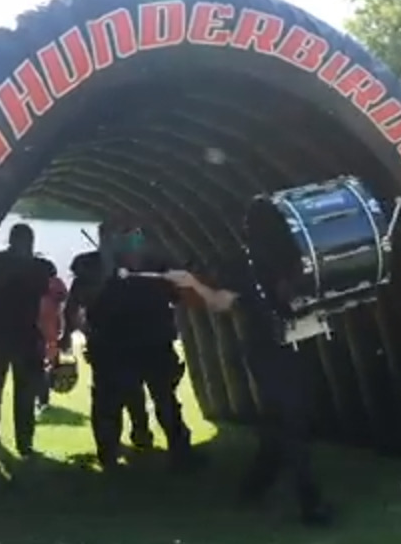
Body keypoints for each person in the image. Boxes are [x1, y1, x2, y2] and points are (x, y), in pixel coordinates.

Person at [164, 263, 334, 527]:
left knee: (282, 425)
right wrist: (193, 284)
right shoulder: (248, 269)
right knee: (292, 425)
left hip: (297, 349)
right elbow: (220, 303)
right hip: (268, 353)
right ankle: (311, 503)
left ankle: (254, 486)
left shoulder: (300, 260)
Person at [81, 226, 193, 471]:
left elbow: (177, 294)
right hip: (117, 348)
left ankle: (180, 450)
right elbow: (87, 308)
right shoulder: (98, 272)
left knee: (164, 401)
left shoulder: (153, 271)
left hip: (148, 346)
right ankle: (109, 454)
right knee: (110, 405)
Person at [66, 222, 155, 448]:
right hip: (102, 340)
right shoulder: (89, 268)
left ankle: (139, 433)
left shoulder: (131, 267)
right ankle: (108, 444)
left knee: (133, 390)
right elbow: (74, 305)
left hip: (130, 340)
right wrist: (77, 331)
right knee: (107, 395)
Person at [0, 223, 52, 455]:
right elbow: (46, 305)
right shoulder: (39, 268)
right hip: (25, 333)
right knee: (24, 390)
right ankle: (24, 441)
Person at [34, 257, 69, 415]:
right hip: (49, 328)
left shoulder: (35, 281)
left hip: (37, 328)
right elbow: (64, 298)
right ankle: (43, 397)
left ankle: (41, 397)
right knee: (46, 364)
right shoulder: (56, 283)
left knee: (39, 366)